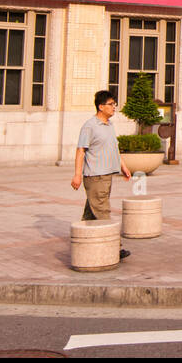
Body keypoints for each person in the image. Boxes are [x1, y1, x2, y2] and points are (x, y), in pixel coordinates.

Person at [71, 90, 133, 259]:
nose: (114, 108)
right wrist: (77, 175)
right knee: (103, 211)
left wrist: (124, 166)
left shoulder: (109, 125)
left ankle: (83, 240)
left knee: (92, 211)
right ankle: (115, 246)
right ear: (101, 106)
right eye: (111, 104)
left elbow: (113, 148)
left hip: (106, 175)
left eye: (114, 104)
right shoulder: (90, 126)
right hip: (96, 176)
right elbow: (80, 151)